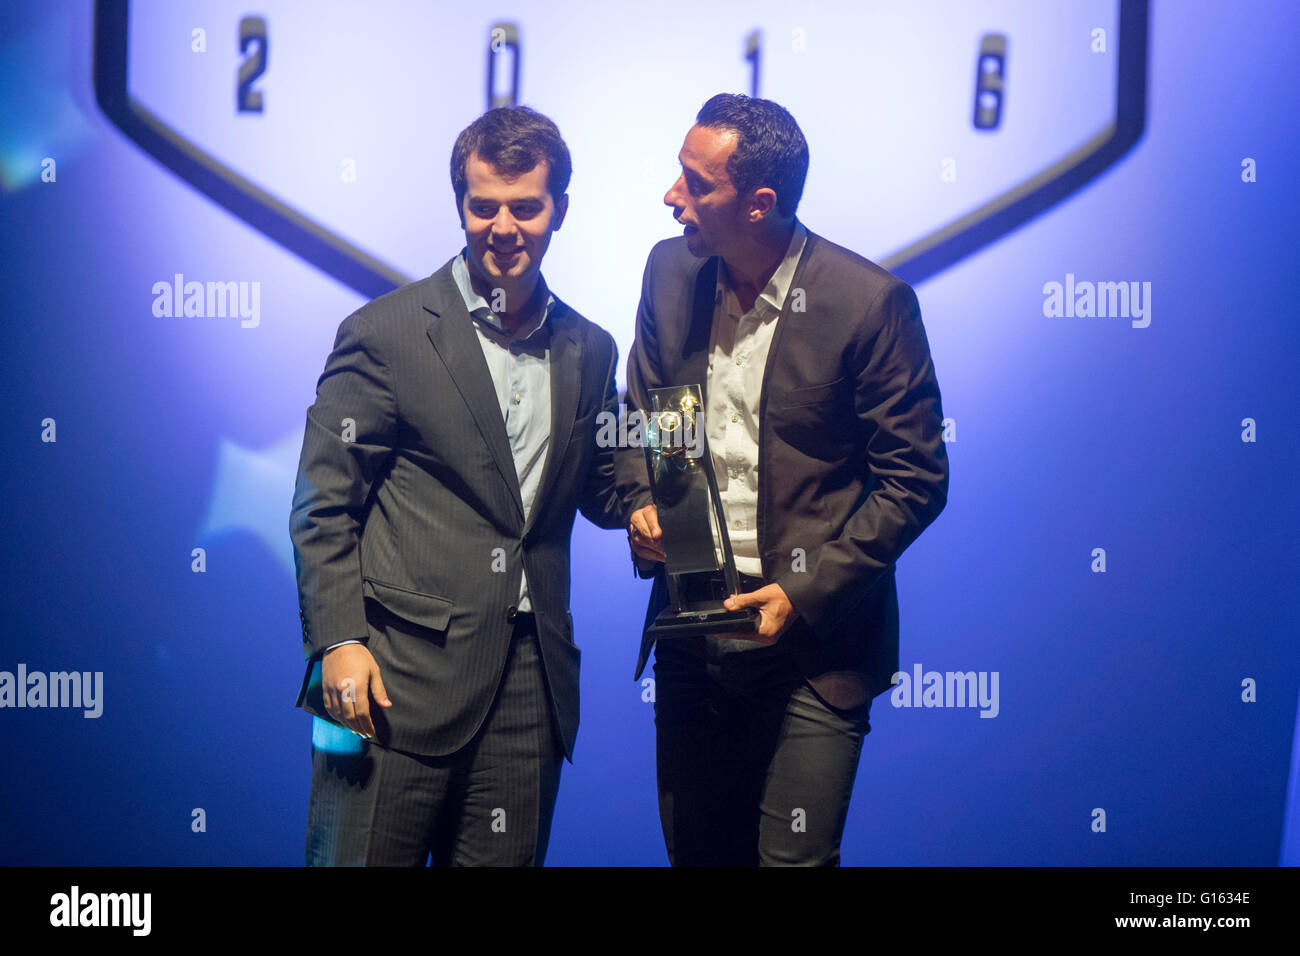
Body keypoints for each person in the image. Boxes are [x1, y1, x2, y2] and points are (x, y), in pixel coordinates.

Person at [617, 93, 950, 866]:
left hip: (815, 650)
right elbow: (639, 416)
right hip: (695, 639)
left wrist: (801, 593)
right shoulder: (670, 273)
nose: (672, 198)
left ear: (759, 203)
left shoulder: (869, 304)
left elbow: (916, 480)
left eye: (695, 184)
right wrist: (640, 500)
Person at [290, 106, 627, 866]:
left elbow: (607, 490)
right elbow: (322, 505)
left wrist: (672, 485)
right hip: (387, 678)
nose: (503, 226)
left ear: (559, 211)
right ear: (460, 206)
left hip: (528, 692)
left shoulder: (591, 348)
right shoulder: (385, 333)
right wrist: (339, 641)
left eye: (526, 206)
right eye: (484, 205)